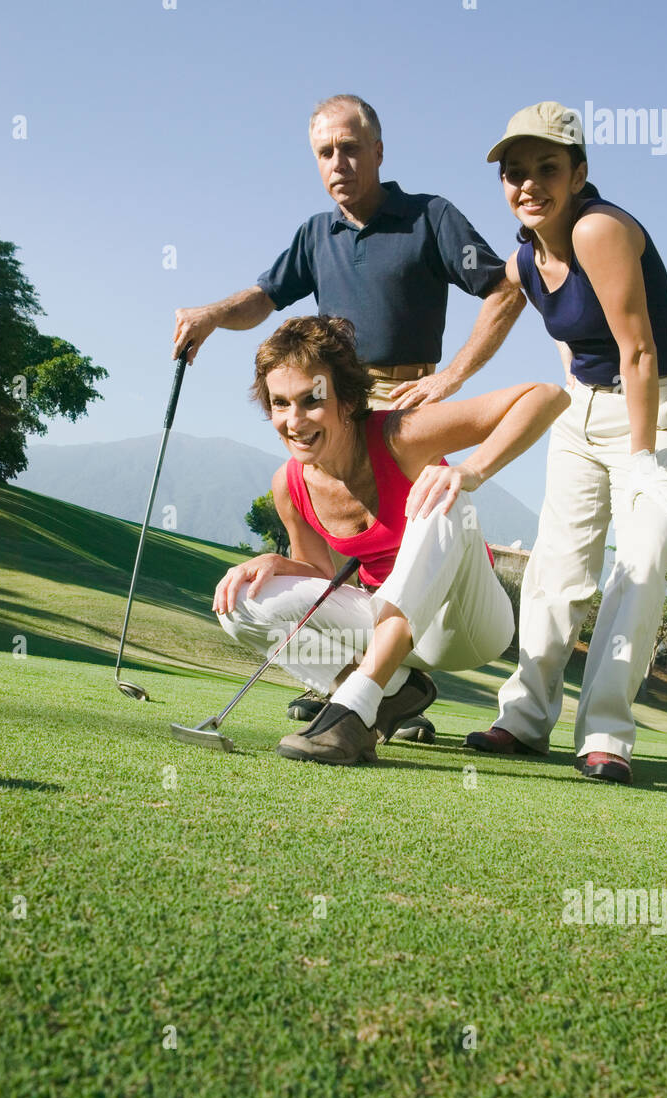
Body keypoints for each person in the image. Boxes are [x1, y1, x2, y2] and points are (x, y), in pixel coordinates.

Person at [174, 93, 525, 741]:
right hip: (336, 411)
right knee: (331, 564)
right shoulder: (316, 235)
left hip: (403, 410)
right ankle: (382, 689)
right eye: (325, 152)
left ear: (379, 152)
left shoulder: (428, 217)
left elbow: (504, 287)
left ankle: (370, 689)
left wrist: (450, 379)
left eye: (351, 148)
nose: (339, 162)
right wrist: (215, 316)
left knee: (428, 526)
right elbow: (264, 296)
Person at [213, 316, 568, 765]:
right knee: (241, 601)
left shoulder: (400, 435)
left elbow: (547, 396)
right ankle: (393, 691)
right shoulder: (289, 484)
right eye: (280, 403)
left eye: (311, 400)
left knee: (448, 497)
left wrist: (470, 470)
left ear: (346, 399)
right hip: (387, 625)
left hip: (463, 626)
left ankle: (356, 708)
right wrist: (272, 562)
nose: (294, 420)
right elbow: (323, 577)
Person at [466, 102, 667, 786]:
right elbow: (503, 304)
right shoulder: (530, 254)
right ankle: (524, 718)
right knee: (557, 571)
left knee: (641, 564)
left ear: (579, 174)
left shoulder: (597, 229)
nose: (528, 183)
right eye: (514, 172)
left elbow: (639, 352)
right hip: (578, 415)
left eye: (546, 169)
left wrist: (643, 461)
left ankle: (603, 733)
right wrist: (447, 378)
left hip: (645, 413)